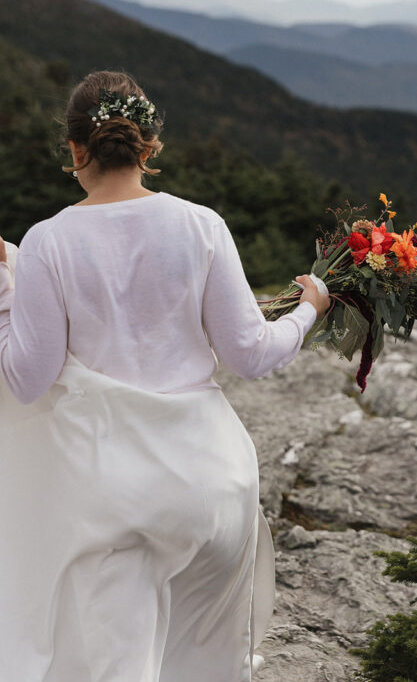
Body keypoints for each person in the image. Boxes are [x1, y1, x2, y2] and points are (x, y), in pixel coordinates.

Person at [0, 69, 330, 681]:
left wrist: (2, 294)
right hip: (214, 484)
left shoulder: (47, 242)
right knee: (204, 668)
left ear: (75, 149)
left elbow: (26, 378)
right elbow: (252, 354)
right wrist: (312, 306)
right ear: (148, 147)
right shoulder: (202, 225)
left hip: (113, 496)